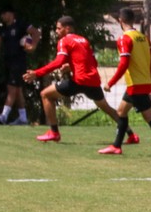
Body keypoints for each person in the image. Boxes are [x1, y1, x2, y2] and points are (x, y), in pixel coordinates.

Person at [24, 16, 135, 144]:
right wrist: (71, 67)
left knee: (45, 95)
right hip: (93, 81)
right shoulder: (83, 40)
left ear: (67, 28)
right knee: (107, 108)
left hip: (79, 81)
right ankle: (131, 134)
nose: (56, 31)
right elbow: (93, 62)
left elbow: (58, 62)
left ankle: (54, 132)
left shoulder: (64, 41)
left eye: (58, 28)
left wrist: (36, 73)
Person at [99, 7, 151, 157]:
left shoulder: (124, 39)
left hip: (135, 85)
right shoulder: (143, 37)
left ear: (120, 21)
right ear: (133, 20)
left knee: (147, 117)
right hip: (142, 83)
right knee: (123, 112)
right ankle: (119, 145)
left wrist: (111, 82)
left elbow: (124, 64)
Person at [0, 8, 39, 125]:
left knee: (11, 88)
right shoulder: (2, 29)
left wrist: (33, 46)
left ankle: (4, 116)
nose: (2, 16)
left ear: (11, 14)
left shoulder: (21, 25)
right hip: (8, 62)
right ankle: (23, 118)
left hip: (18, 62)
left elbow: (36, 32)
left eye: (4, 13)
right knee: (17, 90)